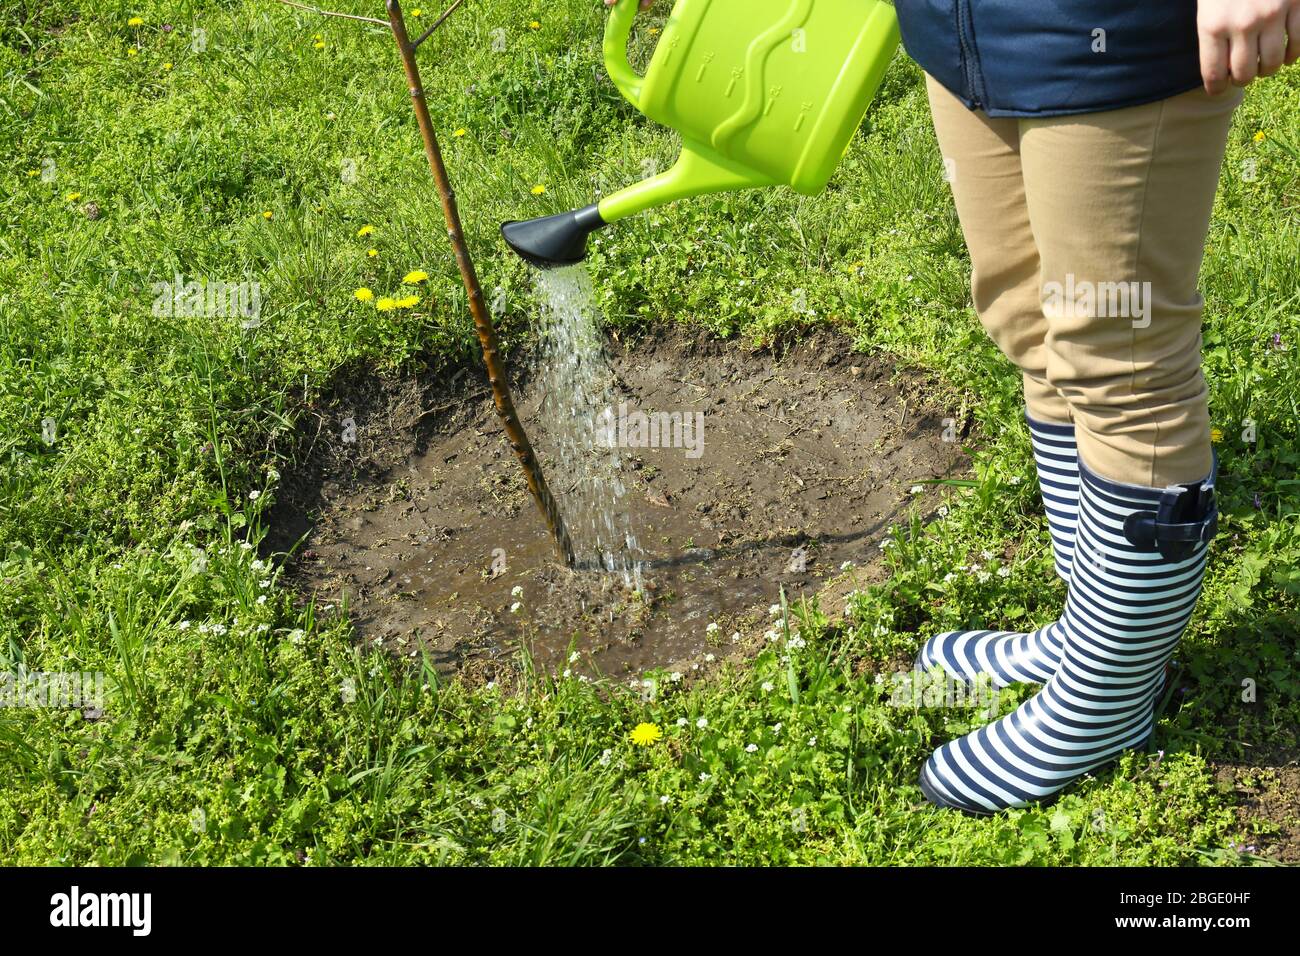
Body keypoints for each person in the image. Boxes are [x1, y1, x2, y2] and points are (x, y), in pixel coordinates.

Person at [603, 0, 1299, 813]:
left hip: (1114, 27)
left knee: (1120, 354)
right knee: (1026, 313)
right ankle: (1089, 634)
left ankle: (1107, 702)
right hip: (961, 18)